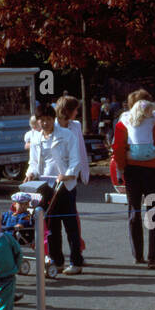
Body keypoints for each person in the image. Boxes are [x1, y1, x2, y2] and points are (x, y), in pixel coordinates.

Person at [112, 90, 155, 269]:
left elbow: (118, 147)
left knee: (133, 213)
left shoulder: (123, 121)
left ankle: (137, 254)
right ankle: (153, 256)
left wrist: (121, 168)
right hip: (153, 171)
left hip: (132, 171)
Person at [27, 101, 85, 274]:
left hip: (65, 185)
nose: (45, 123)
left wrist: (68, 174)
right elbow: (34, 162)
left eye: (48, 119)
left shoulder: (67, 135)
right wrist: (30, 172)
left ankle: (76, 262)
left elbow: (76, 159)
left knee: (70, 225)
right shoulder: (36, 137)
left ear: (54, 119)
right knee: (51, 225)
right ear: (37, 121)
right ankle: (57, 261)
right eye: (41, 120)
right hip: (45, 186)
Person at [56, 94, 92, 261]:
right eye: (76, 109)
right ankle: (55, 258)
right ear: (68, 110)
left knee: (72, 220)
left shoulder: (75, 126)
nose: (77, 112)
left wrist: (83, 172)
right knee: (52, 223)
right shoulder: (52, 125)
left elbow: (80, 150)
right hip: (53, 179)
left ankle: (77, 255)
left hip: (70, 179)